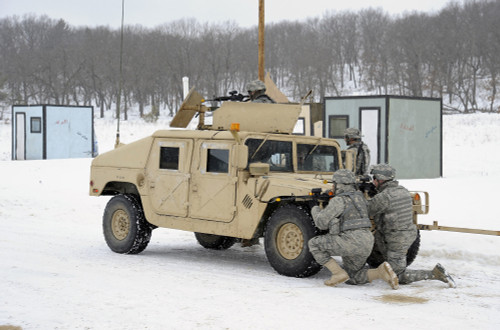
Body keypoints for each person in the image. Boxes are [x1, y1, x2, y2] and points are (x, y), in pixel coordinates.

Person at [368, 164, 456, 287]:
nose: (373, 181)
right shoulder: (403, 190)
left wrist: (370, 197)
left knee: (398, 275)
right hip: (408, 234)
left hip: (396, 239)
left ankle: (435, 274)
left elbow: (367, 210)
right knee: (384, 253)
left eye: (374, 179)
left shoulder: (384, 196)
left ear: (380, 179)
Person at [308, 169, 399, 289]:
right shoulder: (360, 198)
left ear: (339, 184)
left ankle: (337, 273)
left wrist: (314, 206)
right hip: (367, 241)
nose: (332, 187)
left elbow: (321, 223)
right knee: (354, 277)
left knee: (314, 244)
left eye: (334, 184)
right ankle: (380, 272)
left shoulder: (338, 200)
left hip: (350, 241)